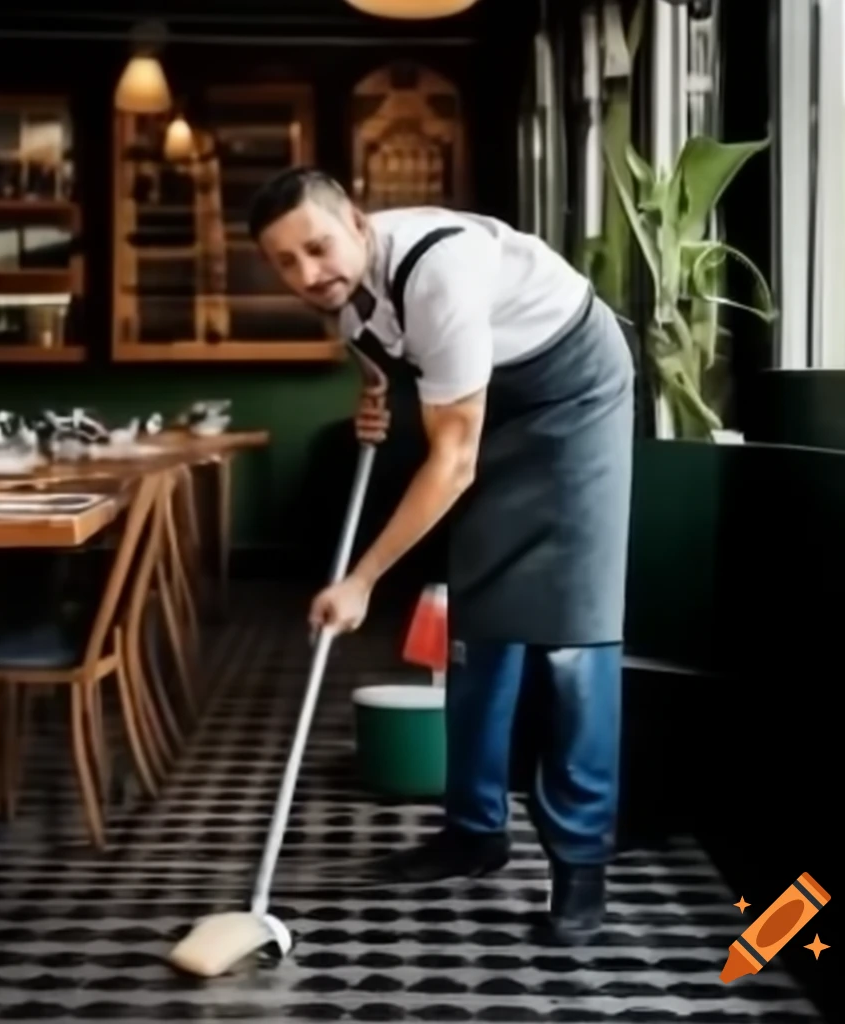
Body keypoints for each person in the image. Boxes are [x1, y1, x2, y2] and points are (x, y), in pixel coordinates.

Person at [247, 168, 634, 944]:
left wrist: (360, 580)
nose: (307, 274)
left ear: (357, 222)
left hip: (573, 396)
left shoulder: (438, 272)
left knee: (569, 639)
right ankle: (473, 832)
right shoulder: (341, 284)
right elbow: (375, 344)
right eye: (285, 262)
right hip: (488, 404)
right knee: (478, 625)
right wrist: (375, 391)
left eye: (317, 249)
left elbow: (452, 461)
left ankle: (581, 867)